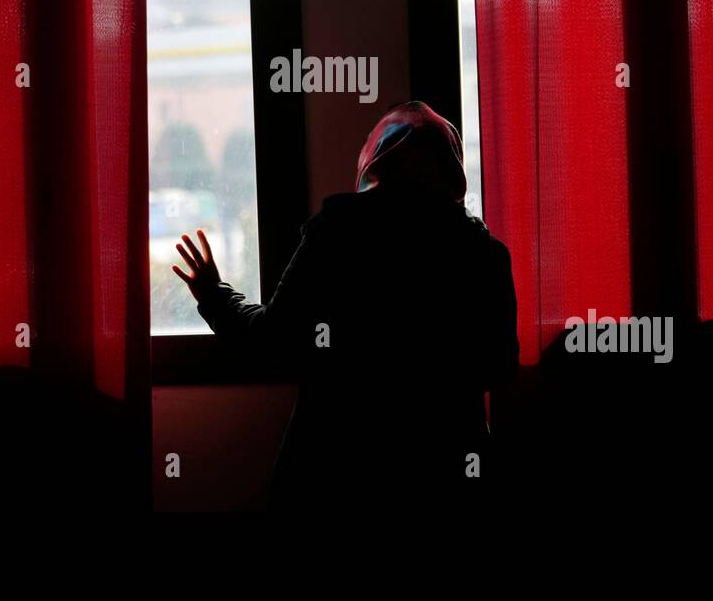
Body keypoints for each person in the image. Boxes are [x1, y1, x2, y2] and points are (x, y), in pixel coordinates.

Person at [172, 101, 518, 513]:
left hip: (331, 478)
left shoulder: (336, 233)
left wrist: (214, 294)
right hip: (447, 483)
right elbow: (501, 366)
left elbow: (271, 342)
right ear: (452, 172)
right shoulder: (485, 254)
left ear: (373, 165)